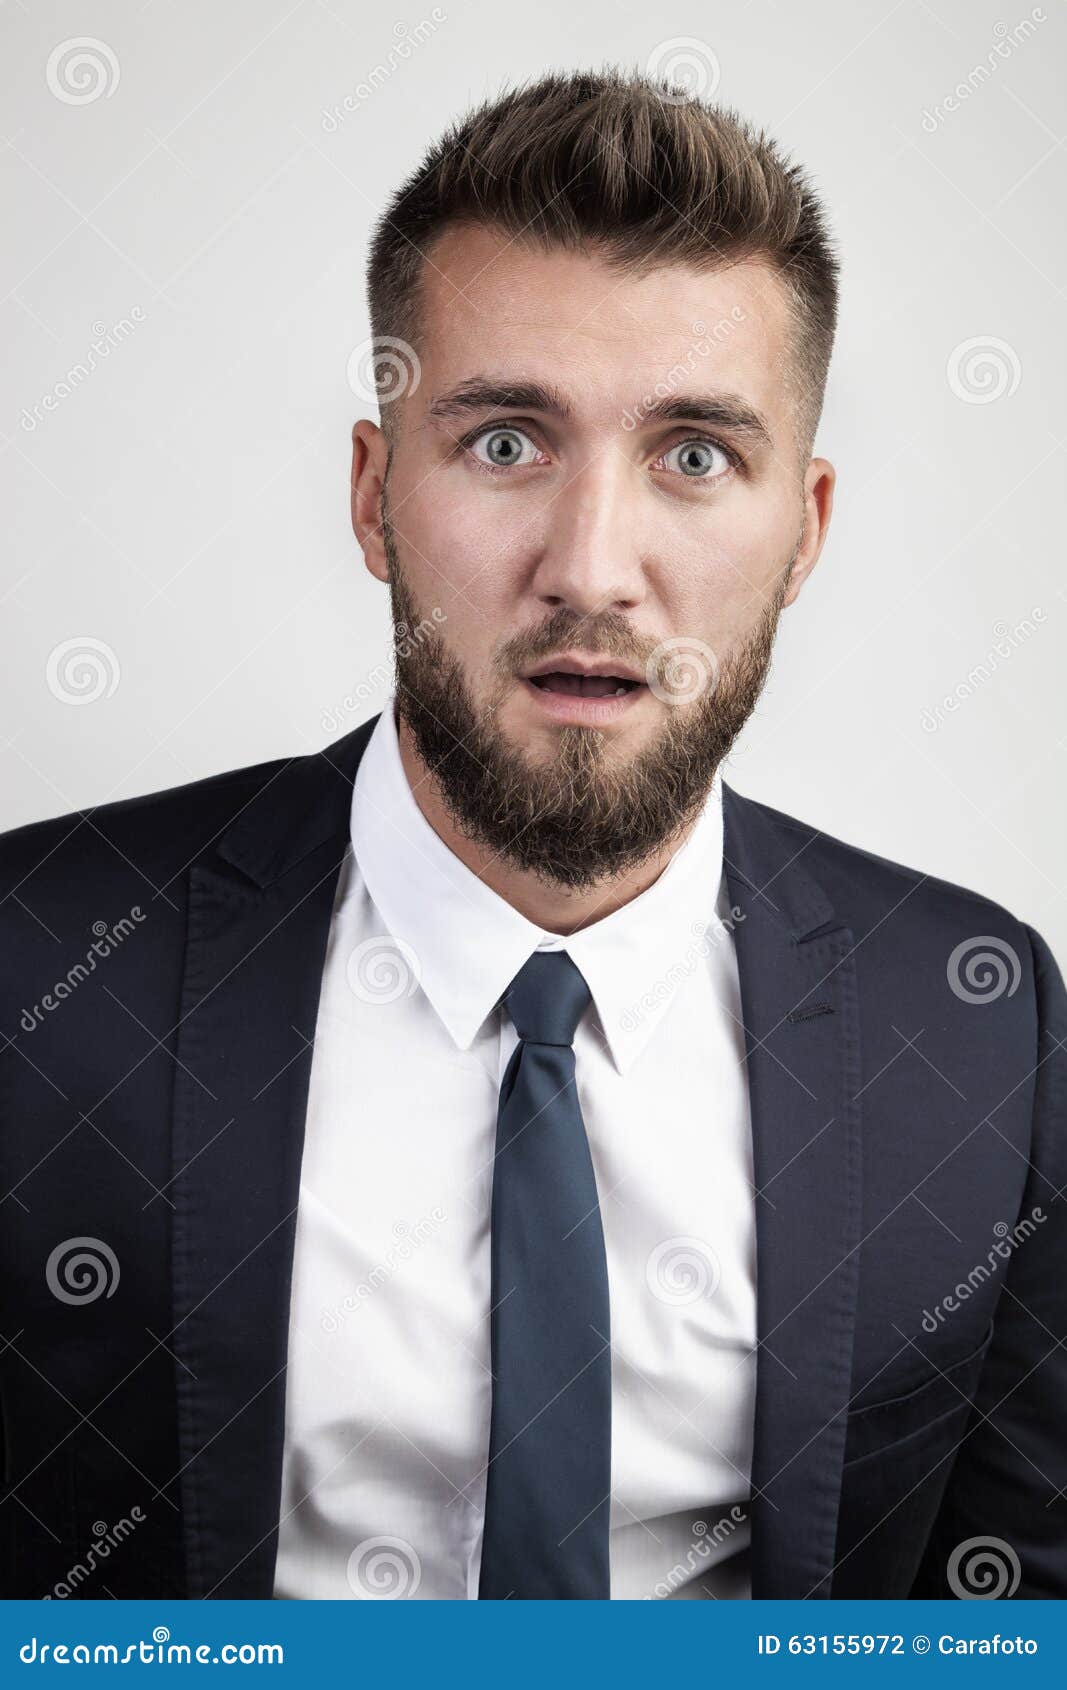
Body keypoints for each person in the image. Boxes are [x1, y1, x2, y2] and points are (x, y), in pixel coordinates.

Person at [1, 69, 1064, 1602]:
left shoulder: (983, 1022)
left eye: (695, 455)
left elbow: (1016, 1618)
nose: (591, 567)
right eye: (506, 443)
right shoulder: (40, 969)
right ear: (375, 496)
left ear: (805, 530)